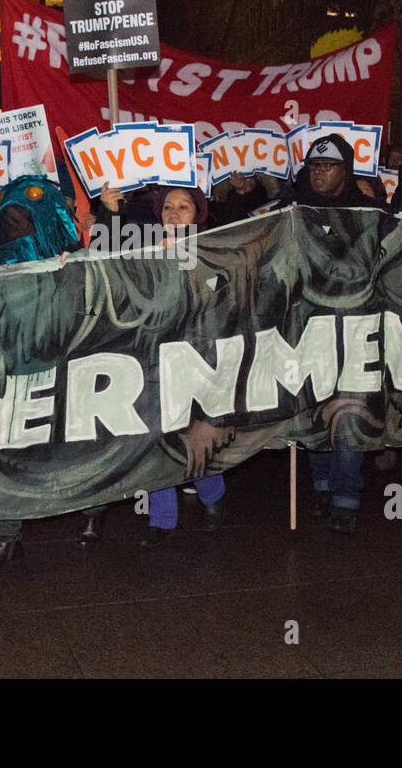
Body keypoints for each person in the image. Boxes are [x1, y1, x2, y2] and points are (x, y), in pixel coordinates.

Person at [0, 174, 88, 574]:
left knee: (80, 443)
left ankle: (95, 507)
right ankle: (5, 537)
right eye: (7, 219)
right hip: (11, 374)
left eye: (23, 219)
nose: (12, 227)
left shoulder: (73, 267)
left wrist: (75, 270)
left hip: (64, 371)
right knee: (4, 449)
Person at [276, 134, 383, 532]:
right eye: (314, 166)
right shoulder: (293, 210)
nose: (319, 173)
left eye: (328, 166)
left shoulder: (370, 211)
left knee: (350, 411)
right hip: (305, 327)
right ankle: (321, 484)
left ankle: (345, 495)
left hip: (355, 327)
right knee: (311, 408)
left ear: (346, 170)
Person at [131, 186, 230, 547]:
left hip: (198, 357)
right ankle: (162, 518)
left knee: (195, 433)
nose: (174, 215)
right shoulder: (143, 249)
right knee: (156, 436)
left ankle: (212, 495)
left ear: (198, 214)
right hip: (155, 358)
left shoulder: (214, 251)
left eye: (183, 208)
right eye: (168, 207)